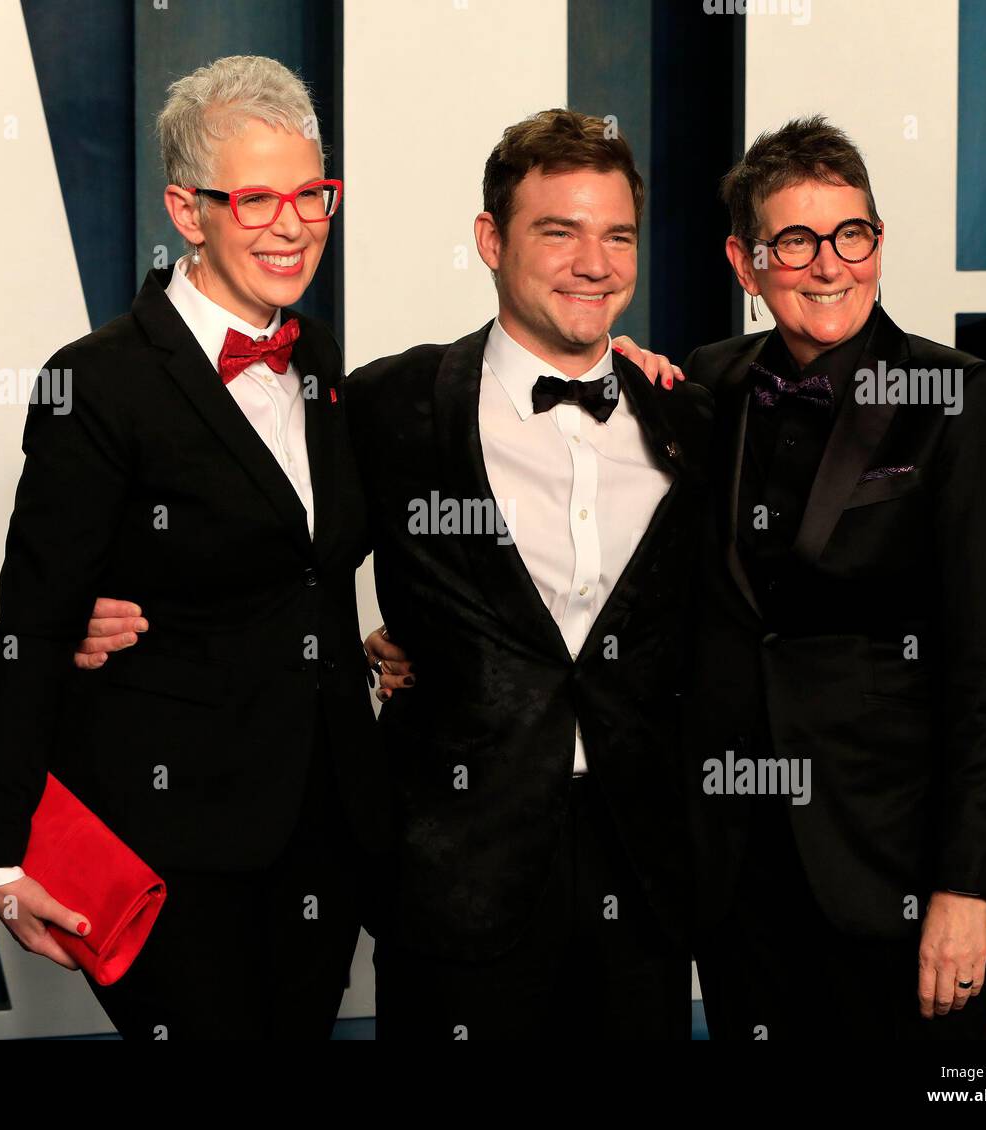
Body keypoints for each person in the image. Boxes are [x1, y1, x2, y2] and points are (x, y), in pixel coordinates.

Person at [83, 109, 709, 1039]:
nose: (595, 261)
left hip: (645, 871)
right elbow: (266, 547)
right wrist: (91, 612)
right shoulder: (380, 404)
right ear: (491, 241)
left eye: (616, 234)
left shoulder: (688, 415)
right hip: (457, 875)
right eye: (559, 231)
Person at [0, 55, 391, 1040]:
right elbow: (33, 619)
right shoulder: (98, 382)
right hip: (171, 840)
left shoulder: (316, 354)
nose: (293, 224)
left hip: (326, 826)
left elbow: (305, 568)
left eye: (312, 193)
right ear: (187, 212)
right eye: (258, 198)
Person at [680, 115, 986, 1039]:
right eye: (794, 241)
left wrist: (967, 887)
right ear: (744, 262)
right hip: (738, 877)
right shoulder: (701, 388)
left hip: (898, 879)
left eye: (852, 234)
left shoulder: (961, 399)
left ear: (878, 241)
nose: (830, 264)